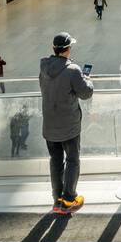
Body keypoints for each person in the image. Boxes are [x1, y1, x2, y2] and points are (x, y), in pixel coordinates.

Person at [39, 32, 93, 215]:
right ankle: (69, 199)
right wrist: (87, 79)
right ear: (67, 50)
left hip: (49, 124)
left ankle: (57, 199)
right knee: (72, 160)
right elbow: (85, 93)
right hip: (68, 125)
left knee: (55, 161)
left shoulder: (44, 67)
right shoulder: (73, 70)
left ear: (54, 49)